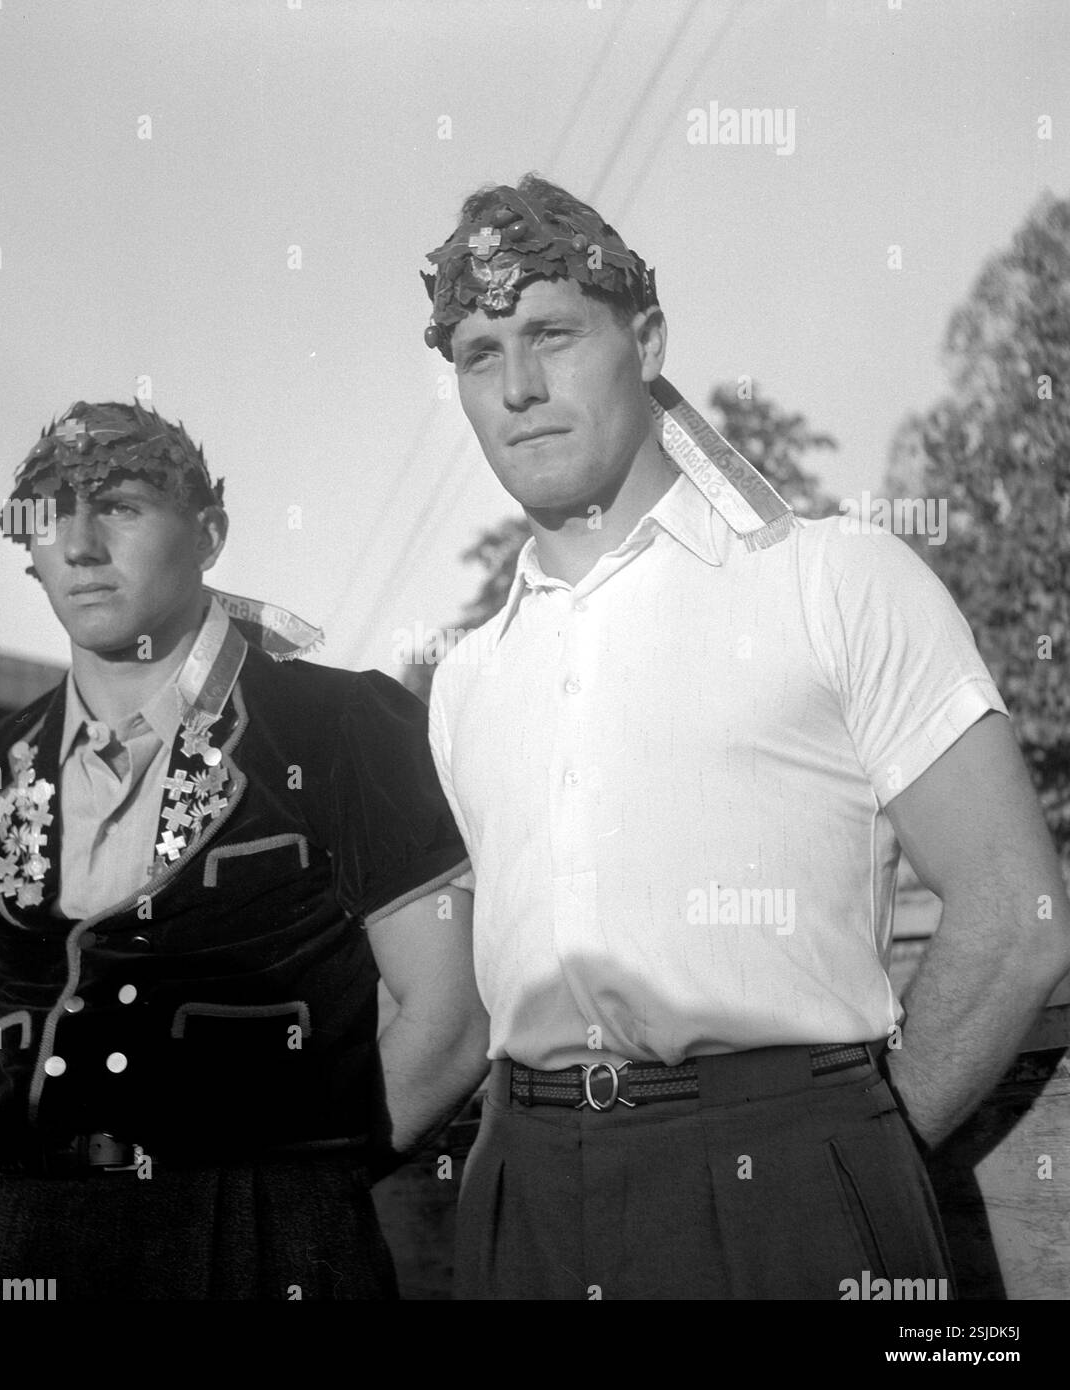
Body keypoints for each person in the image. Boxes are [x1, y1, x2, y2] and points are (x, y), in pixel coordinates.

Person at [420, 175, 1070, 1300]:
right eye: (480, 354)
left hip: (787, 1182)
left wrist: (856, 1155)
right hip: (520, 1193)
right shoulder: (465, 679)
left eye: (553, 335)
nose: (519, 386)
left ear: (649, 337)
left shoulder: (836, 579)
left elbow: (1022, 914)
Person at [0, 399, 488, 1299]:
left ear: (210, 533)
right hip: (32, 1232)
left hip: (268, 1232)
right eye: (52, 514)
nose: (82, 543)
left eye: (124, 506)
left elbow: (452, 1015)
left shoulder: (340, 728)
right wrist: (43, 1157)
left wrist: (306, 1192)